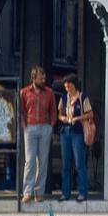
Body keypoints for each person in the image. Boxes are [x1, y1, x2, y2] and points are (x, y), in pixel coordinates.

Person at [19, 65, 57, 204]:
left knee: (43, 161)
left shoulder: (49, 92)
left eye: (44, 77)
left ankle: (39, 192)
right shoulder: (24, 92)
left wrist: (51, 125)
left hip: (45, 127)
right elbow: (21, 110)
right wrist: (24, 126)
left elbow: (53, 110)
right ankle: (27, 192)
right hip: (30, 127)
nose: (44, 79)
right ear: (33, 78)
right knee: (30, 161)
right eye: (41, 77)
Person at [57, 75, 93, 203]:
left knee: (79, 163)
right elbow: (59, 114)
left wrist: (78, 118)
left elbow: (90, 113)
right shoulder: (63, 98)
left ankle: (82, 192)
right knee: (65, 164)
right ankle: (65, 193)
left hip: (77, 132)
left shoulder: (82, 97)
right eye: (65, 86)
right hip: (65, 132)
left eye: (68, 85)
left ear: (73, 84)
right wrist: (64, 119)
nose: (67, 88)